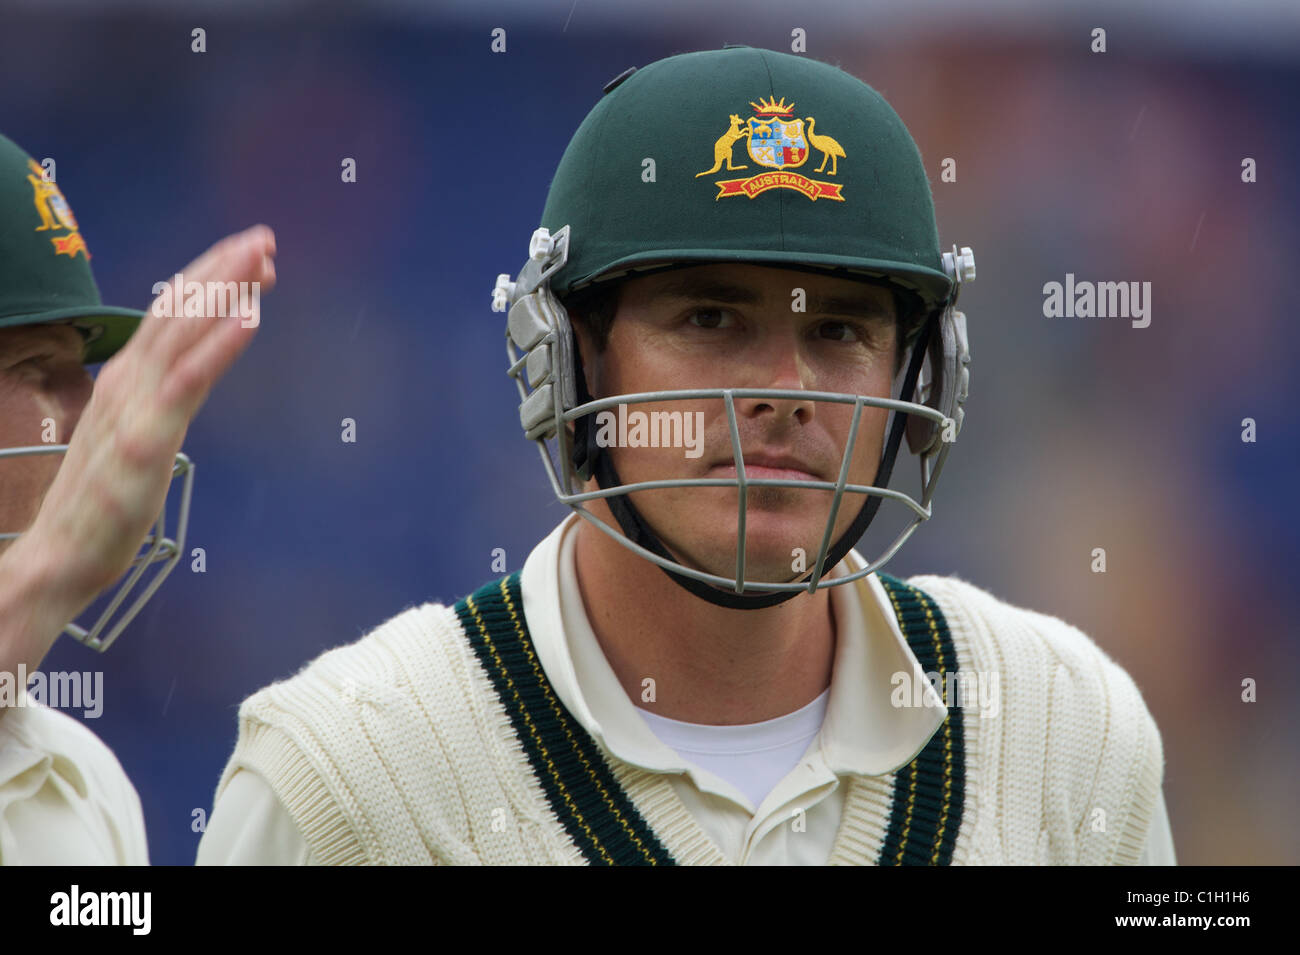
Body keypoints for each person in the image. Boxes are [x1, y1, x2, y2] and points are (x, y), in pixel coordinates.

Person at [198, 46, 1174, 865]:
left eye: (838, 331)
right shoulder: (345, 775)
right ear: (570, 362)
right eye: (710, 317)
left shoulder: (1065, 735)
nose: (785, 389)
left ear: (920, 386)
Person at [0, 131, 276, 863]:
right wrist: (39, 576)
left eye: (87, 370)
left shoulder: (85, 783)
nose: (89, 413)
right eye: (37, 369)